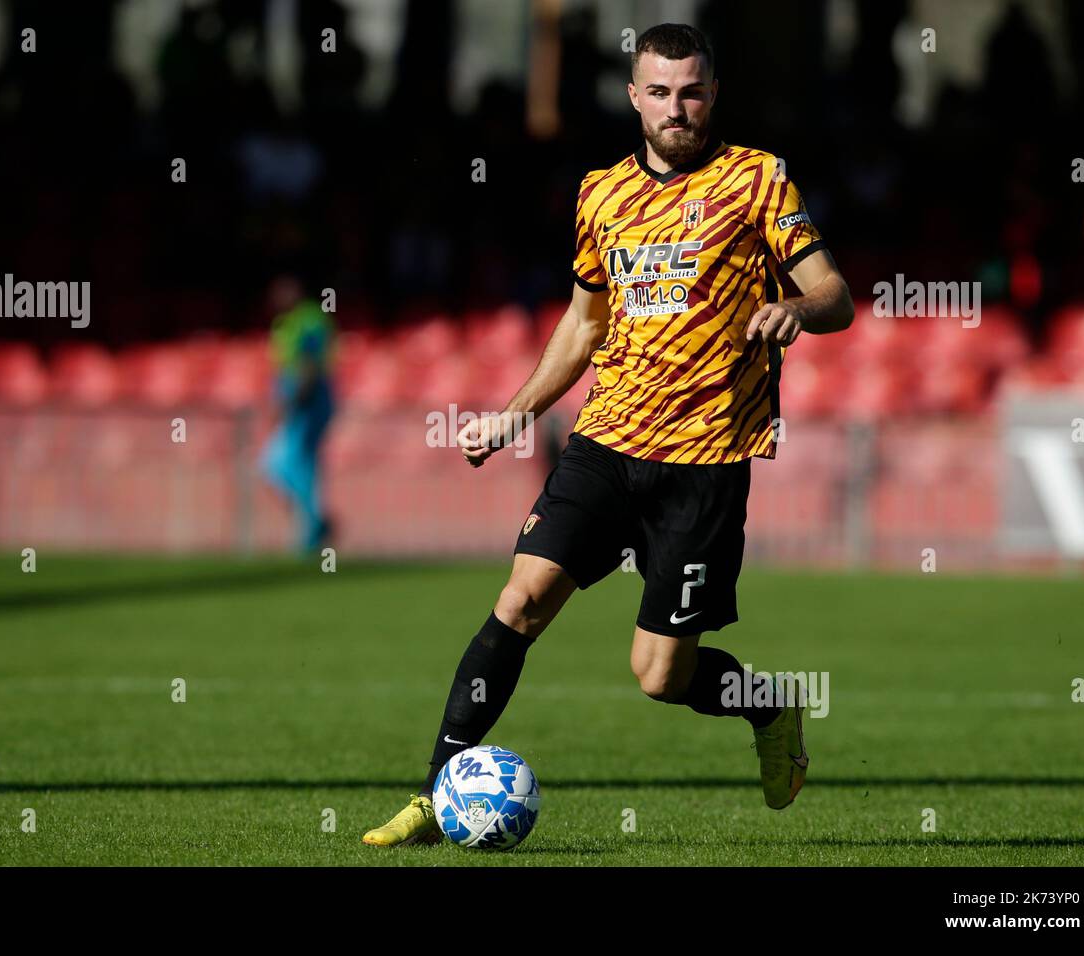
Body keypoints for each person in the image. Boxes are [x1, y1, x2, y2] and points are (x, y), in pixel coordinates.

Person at [363, 24, 854, 847]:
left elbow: (834, 293)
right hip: (605, 443)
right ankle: (433, 795)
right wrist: (513, 416)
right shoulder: (600, 194)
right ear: (634, 95)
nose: (676, 108)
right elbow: (584, 325)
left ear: (713, 93)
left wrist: (794, 309)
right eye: (659, 92)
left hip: (704, 463)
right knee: (518, 603)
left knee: (660, 676)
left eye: (691, 91)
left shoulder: (757, 180)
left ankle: (768, 705)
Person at [259, 277, 335, 552]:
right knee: (292, 466)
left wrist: (294, 400)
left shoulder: (309, 319)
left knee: (286, 463)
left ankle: (312, 527)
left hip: (309, 402)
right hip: (297, 398)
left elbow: (309, 364)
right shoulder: (286, 323)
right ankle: (313, 523)